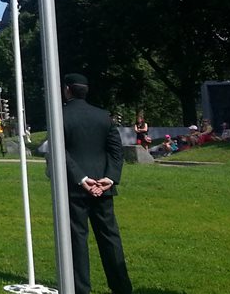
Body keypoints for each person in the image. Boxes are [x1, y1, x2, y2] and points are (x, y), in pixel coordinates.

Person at [60, 73, 132, 294]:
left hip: (74, 188)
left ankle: (80, 288)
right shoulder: (103, 116)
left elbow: (60, 152)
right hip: (103, 187)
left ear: (67, 89)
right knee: (110, 238)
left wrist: (82, 179)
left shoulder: (60, 116)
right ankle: (121, 287)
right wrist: (109, 179)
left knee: (77, 240)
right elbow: (116, 150)